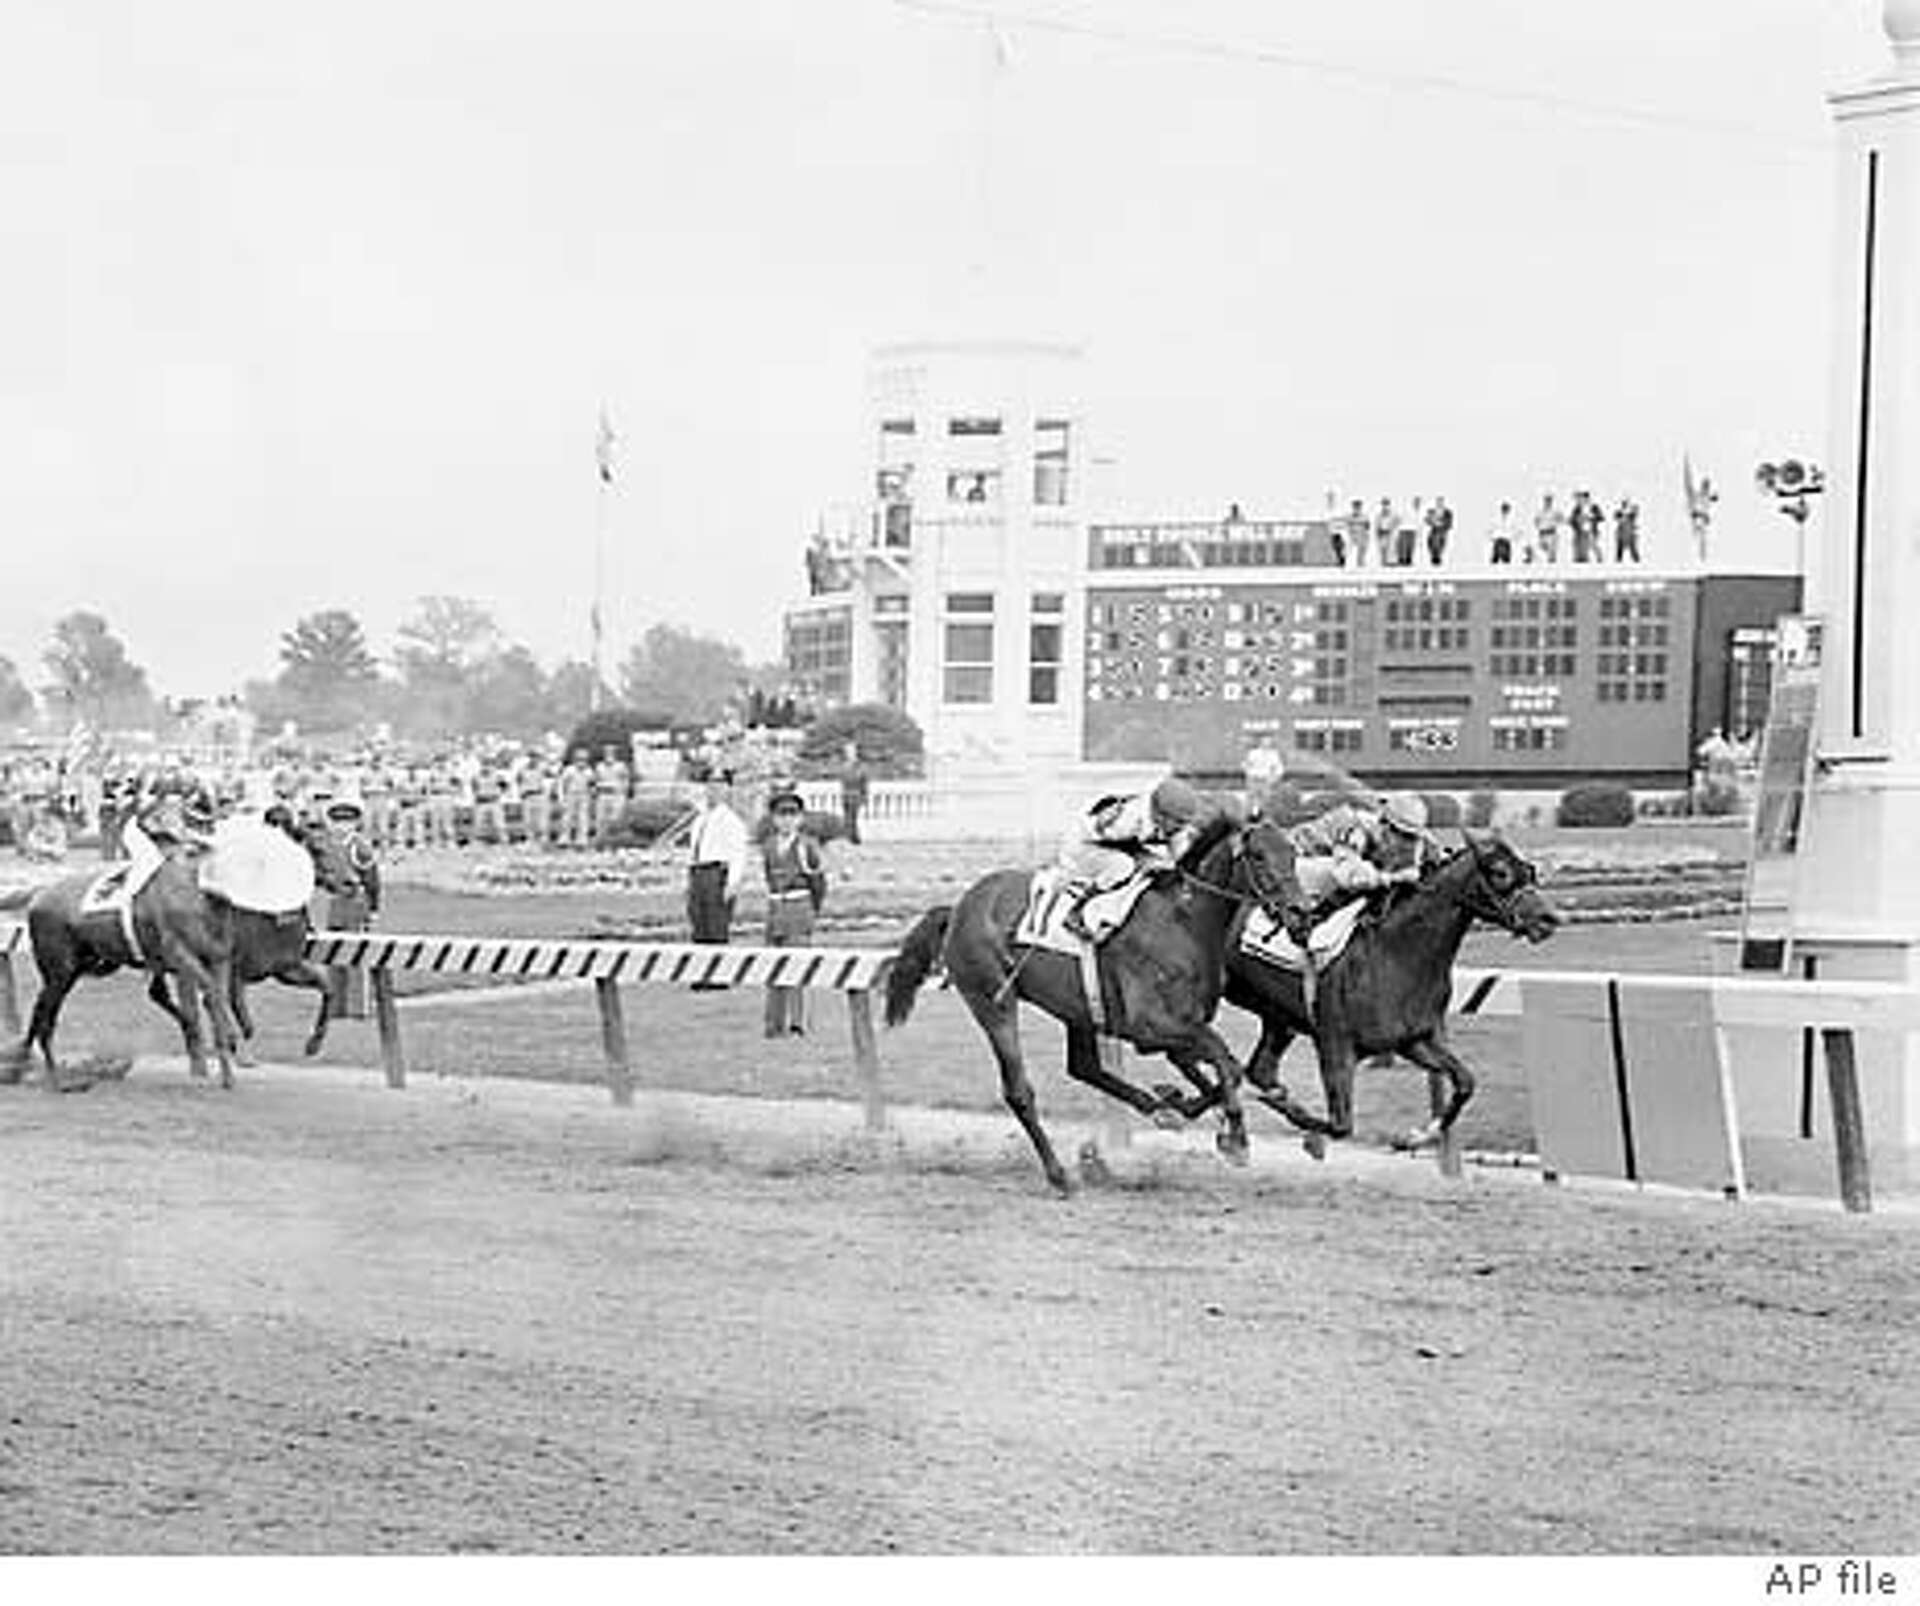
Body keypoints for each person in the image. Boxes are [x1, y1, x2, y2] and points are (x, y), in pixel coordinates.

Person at [1059, 774, 1208, 941]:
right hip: (1085, 844)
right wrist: (1141, 859)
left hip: (1123, 845)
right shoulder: (1127, 818)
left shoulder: (1174, 828)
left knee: (1161, 865)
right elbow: (1097, 836)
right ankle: (1076, 911)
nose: (1182, 828)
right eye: (1178, 822)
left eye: (1184, 823)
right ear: (1161, 816)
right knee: (1123, 867)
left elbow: (1180, 861)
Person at [1276, 792, 1433, 949]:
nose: (1406, 845)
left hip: (1346, 861)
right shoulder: (1358, 831)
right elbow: (1346, 875)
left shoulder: (1418, 843)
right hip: (1292, 862)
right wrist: (1394, 877)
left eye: (1412, 837)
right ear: (1385, 826)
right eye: (1404, 836)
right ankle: (1310, 924)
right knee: (1340, 873)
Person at [759, 787, 828, 1036]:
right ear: (774, 818)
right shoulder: (768, 846)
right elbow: (769, 877)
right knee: (772, 967)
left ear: (800, 818)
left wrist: (811, 911)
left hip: (799, 907)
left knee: (797, 966)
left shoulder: (806, 846)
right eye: (781, 814)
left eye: (792, 814)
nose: (786, 820)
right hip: (776, 907)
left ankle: (797, 1022)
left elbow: (819, 884)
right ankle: (774, 1024)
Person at [321, 799, 382, 1020]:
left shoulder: (360, 847)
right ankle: (335, 1005)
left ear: (355, 823)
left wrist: (373, 907)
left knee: (356, 955)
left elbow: (372, 880)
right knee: (333, 953)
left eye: (346, 822)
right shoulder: (329, 846)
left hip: (356, 901)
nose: (341, 826)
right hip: (337, 902)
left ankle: (358, 1007)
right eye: (337, 822)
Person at [686, 774, 748, 971]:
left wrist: (733, 883)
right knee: (699, 923)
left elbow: (738, 854)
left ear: (727, 790)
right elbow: (694, 851)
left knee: (716, 924)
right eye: (711, 785)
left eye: (719, 786)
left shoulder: (731, 820)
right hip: (698, 872)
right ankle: (701, 971)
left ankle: (719, 974)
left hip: (716, 873)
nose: (714, 790)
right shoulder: (700, 819)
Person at [1424, 496, 1454, 566]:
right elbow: (1427, 520)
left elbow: (1449, 524)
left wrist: (1439, 523)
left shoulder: (1447, 512)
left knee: (1437, 541)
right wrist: (1433, 521)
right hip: (1436, 532)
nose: (1439, 503)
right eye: (1438, 502)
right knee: (1436, 542)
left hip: (1440, 532)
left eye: (1441, 502)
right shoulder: (1431, 511)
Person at [1613, 495, 1642, 562]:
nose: (1624, 505)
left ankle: (1637, 562)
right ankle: (1618, 562)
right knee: (1619, 551)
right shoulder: (1620, 512)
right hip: (1621, 534)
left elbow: (1635, 512)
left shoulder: (1631, 514)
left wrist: (1633, 509)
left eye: (1625, 503)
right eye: (1623, 503)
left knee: (1633, 550)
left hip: (1630, 534)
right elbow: (1616, 517)